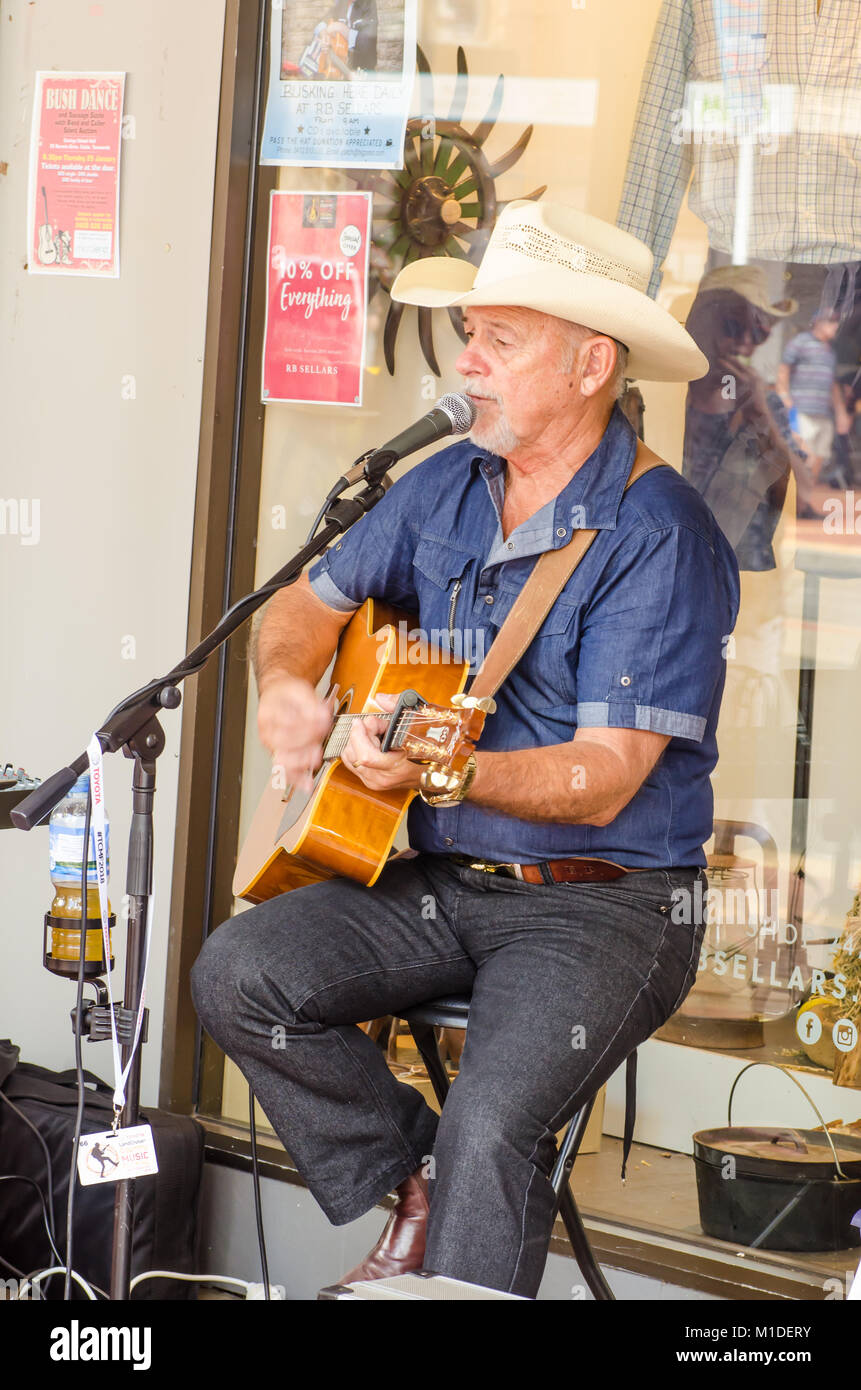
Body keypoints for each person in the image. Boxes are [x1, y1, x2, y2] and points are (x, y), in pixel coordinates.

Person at [191, 201, 740, 1299]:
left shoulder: (659, 533)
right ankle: (413, 1179)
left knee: (494, 1126)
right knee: (241, 972)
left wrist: (442, 770)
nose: (467, 362)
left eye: (501, 340)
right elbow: (302, 604)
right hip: (441, 878)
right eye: (468, 333)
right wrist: (291, 685)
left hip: (607, 905)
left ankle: (453, 1189)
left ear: (591, 363)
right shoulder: (442, 482)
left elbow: (605, 778)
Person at [682, 265, 809, 567]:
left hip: (735, 557)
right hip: (680, 554)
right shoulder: (668, 385)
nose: (745, 344)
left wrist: (759, 412)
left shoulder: (762, 400)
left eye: (757, 333)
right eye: (732, 327)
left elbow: (798, 484)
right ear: (702, 324)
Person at [777, 311, 852, 486]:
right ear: (818, 323)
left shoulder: (830, 352)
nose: (836, 326)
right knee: (804, 454)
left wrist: (841, 413)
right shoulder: (800, 343)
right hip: (801, 410)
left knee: (819, 456)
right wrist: (785, 398)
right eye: (831, 322)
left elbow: (832, 384)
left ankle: (804, 502)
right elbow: (784, 370)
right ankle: (793, 500)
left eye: (836, 322)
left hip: (822, 414)